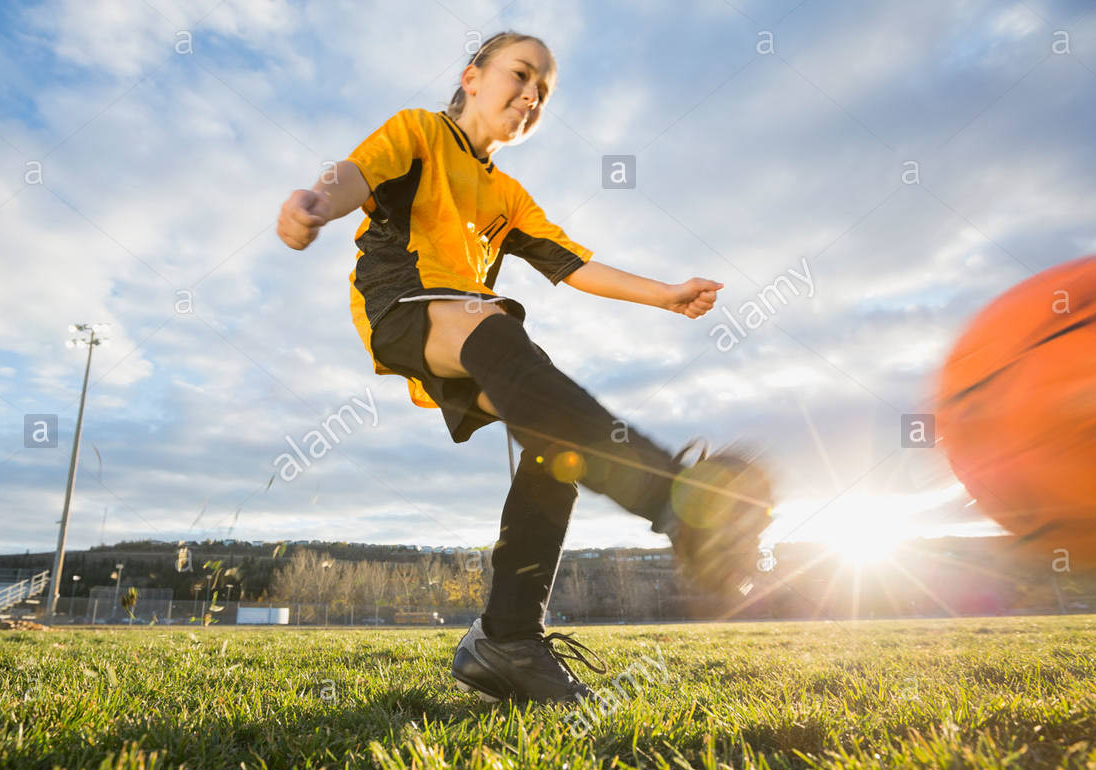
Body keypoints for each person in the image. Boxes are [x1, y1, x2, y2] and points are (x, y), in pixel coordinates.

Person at [277, 31, 773, 705]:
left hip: (469, 326)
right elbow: (354, 174)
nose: (532, 94)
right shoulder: (419, 132)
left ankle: (507, 638)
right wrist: (314, 201)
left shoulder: (507, 194)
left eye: (544, 90)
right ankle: (674, 504)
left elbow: (573, 264)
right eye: (521, 74)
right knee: (498, 327)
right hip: (401, 300)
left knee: (554, 441)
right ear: (472, 76)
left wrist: (666, 293)